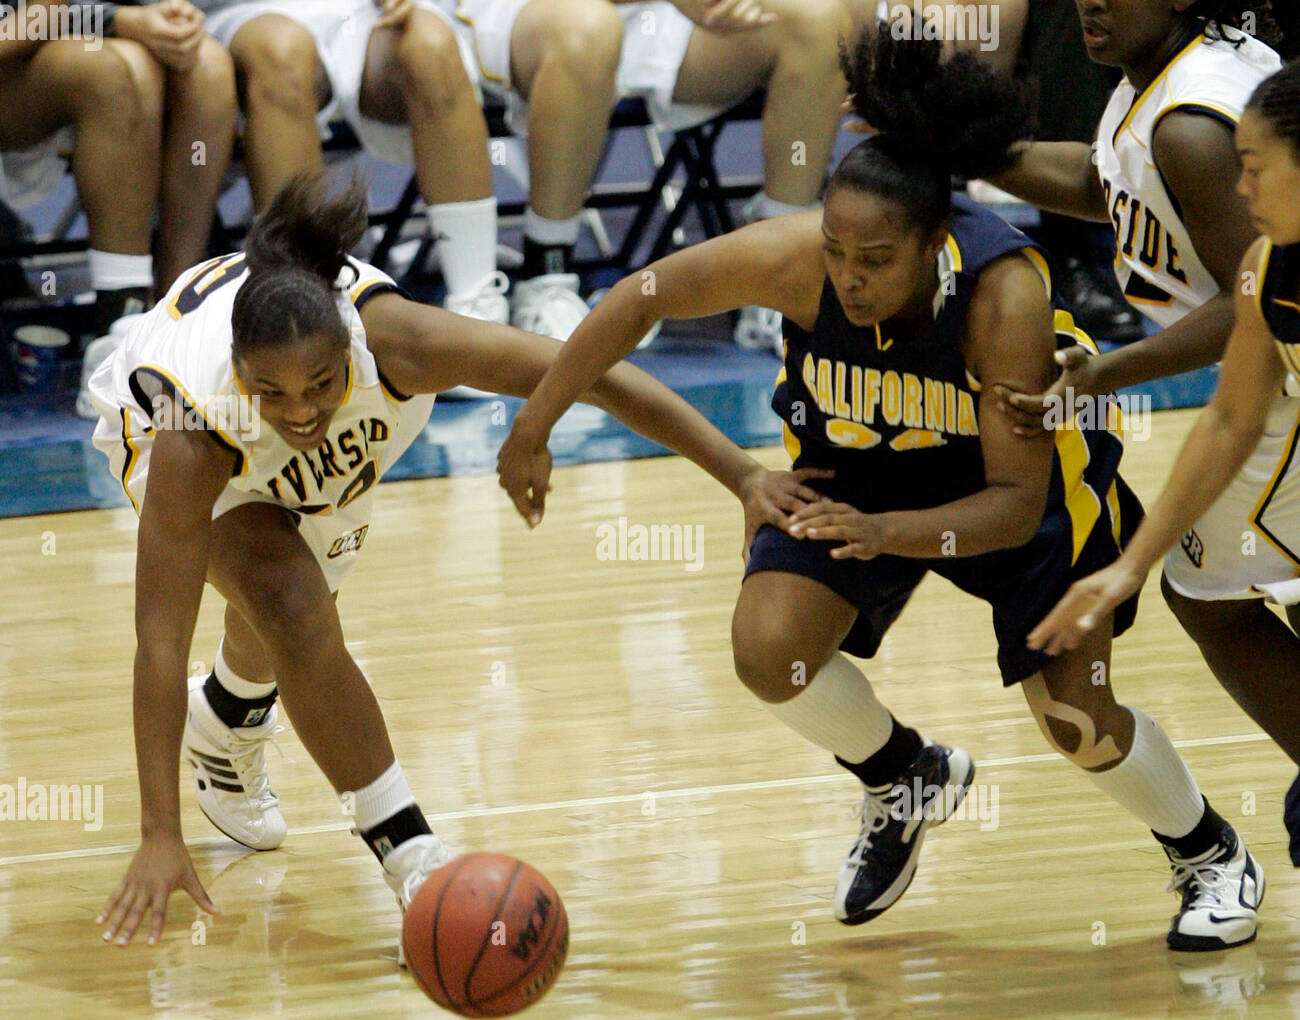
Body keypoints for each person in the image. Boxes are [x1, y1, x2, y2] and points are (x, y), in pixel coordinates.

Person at [497, 28, 1265, 949]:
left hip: (1019, 499)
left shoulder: (1002, 296)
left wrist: (883, 533)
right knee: (769, 651)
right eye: (836, 253)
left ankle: (1211, 852)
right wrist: (534, 425)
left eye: (875, 261)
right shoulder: (795, 261)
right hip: (859, 472)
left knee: (1075, 718)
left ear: (935, 243)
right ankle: (906, 774)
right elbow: (638, 298)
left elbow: (1014, 506)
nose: (849, 281)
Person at [88, 171, 811, 952]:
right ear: (237, 368)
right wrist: (159, 832)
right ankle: (416, 863)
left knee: (288, 618)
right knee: (291, 602)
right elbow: (159, 642)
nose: (299, 412)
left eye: (321, 386)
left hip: (319, 443)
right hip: (174, 431)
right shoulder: (191, 427)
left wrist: (741, 474)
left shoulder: (404, 343)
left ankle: (227, 718)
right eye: (274, 391)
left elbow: (589, 370)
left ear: (348, 350)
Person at [979, 1, 1299, 827]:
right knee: (1212, 595)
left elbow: (1244, 304)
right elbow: (1105, 182)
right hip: (1266, 388)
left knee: (1216, 600)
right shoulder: (1164, 78)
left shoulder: (1190, 126)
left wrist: (1107, 372)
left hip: (1285, 397)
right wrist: (973, 151)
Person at [446, 0, 850, 348]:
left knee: (815, 18)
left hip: (663, 19)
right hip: (534, 16)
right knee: (587, 30)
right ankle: (546, 275)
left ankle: (774, 274)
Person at [197, 0, 507, 323]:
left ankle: (479, 306)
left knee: (430, 43)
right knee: (281, 53)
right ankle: (302, 316)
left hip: (357, 10)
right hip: (242, 12)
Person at [0, 1, 236, 345]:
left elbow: (47, 8)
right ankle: (128, 322)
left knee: (183, 67)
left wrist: (125, 18)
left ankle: (159, 319)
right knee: (112, 72)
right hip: (35, 57)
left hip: (48, 38)